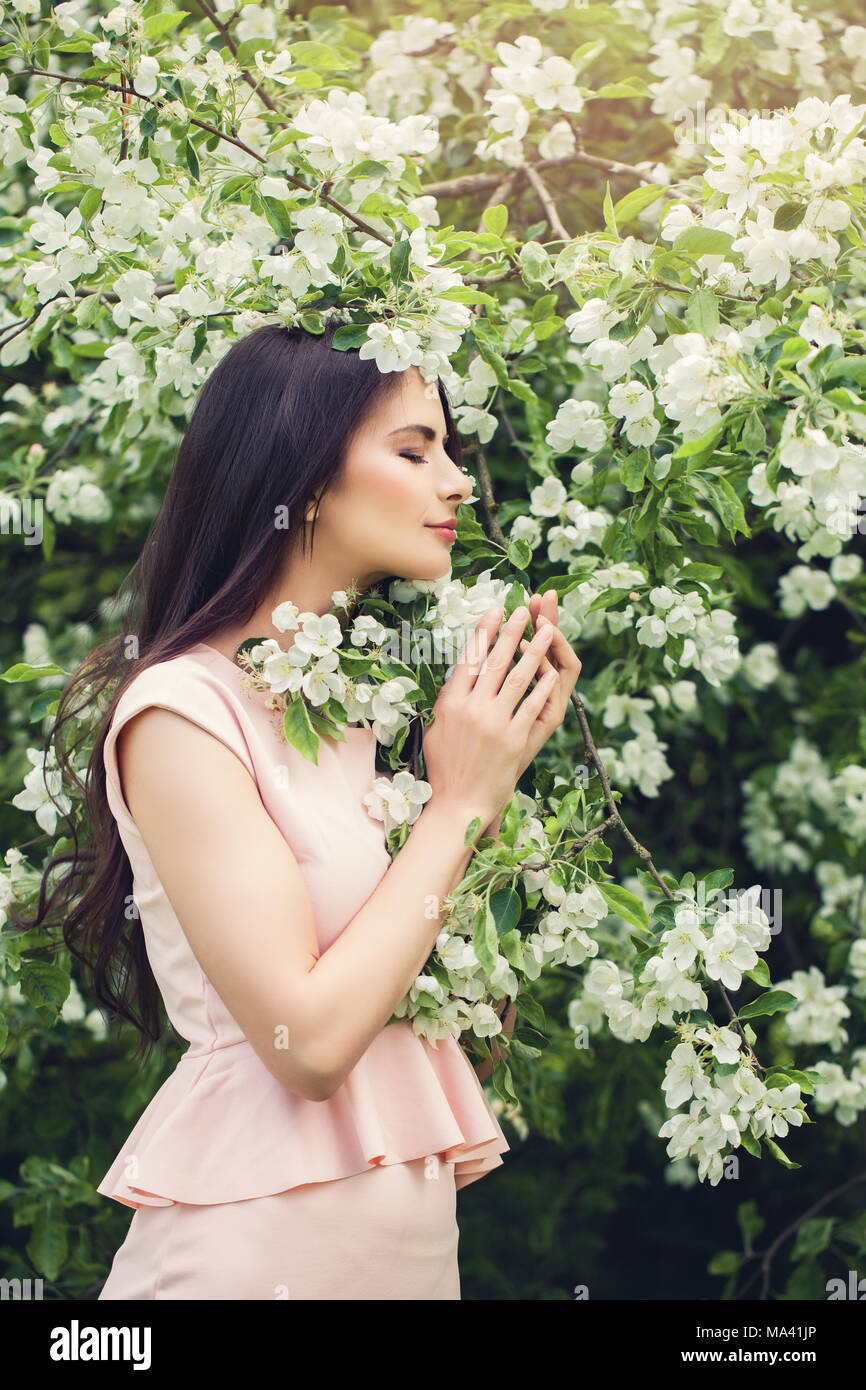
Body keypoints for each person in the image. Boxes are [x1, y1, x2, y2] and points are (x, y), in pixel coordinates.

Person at [45, 322, 581, 1299]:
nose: (455, 481)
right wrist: (460, 799)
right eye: (413, 450)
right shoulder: (181, 713)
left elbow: (404, 985)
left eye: (450, 452)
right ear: (307, 478)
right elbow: (313, 1044)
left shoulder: (352, 719)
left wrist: (496, 761)